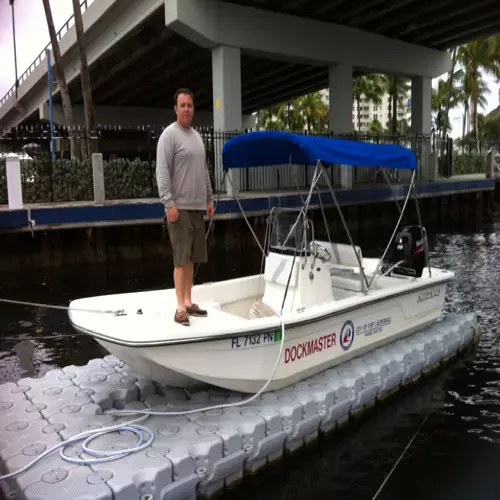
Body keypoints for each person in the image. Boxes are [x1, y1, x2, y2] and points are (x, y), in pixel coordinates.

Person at [156, 88, 215, 326]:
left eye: (190, 105)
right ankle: (180, 308)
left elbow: (204, 171)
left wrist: (209, 200)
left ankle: (189, 302)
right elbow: (162, 171)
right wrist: (168, 203)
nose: (187, 109)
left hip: (197, 208)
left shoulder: (198, 136)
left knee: (192, 257)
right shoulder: (169, 136)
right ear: (175, 109)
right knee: (181, 259)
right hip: (178, 208)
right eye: (183, 105)